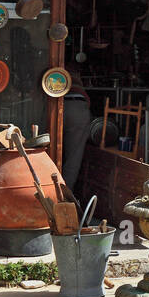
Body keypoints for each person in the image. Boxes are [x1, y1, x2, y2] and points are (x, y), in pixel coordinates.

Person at [61, 61, 91, 199]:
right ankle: (65, 195)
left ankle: (49, 190)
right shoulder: (75, 75)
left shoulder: (56, 70)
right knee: (74, 156)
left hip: (58, 106)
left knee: (49, 149)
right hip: (78, 107)